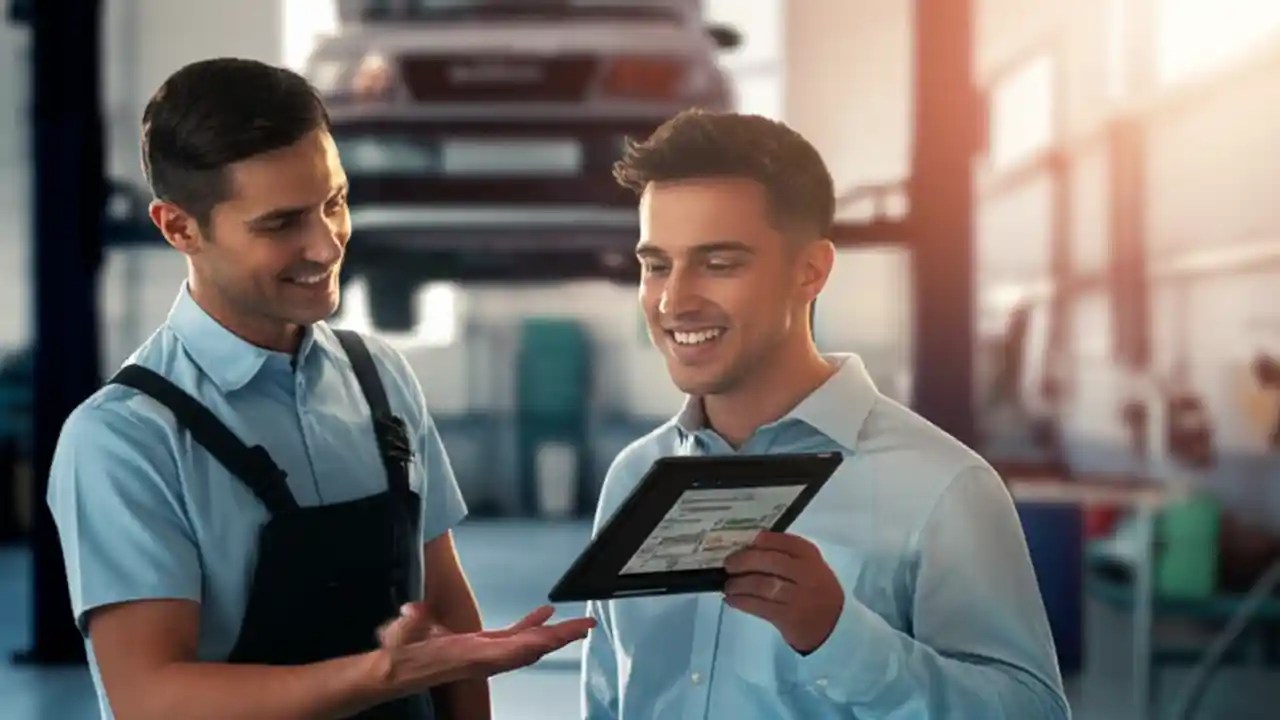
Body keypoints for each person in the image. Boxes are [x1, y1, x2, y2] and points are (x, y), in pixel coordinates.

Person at [45, 57, 592, 720]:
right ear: (179, 227)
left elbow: (448, 615)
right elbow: (152, 698)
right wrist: (377, 675)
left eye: (334, 203)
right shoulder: (125, 439)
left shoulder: (380, 379)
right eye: (281, 224)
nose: (327, 245)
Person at [579, 109, 1070, 719]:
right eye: (656, 265)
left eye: (719, 263)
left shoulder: (940, 487)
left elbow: (1034, 713)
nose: (674, 300)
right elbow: (608, 699)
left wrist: (842, 640)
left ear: (810, 271)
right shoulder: (635, 477)